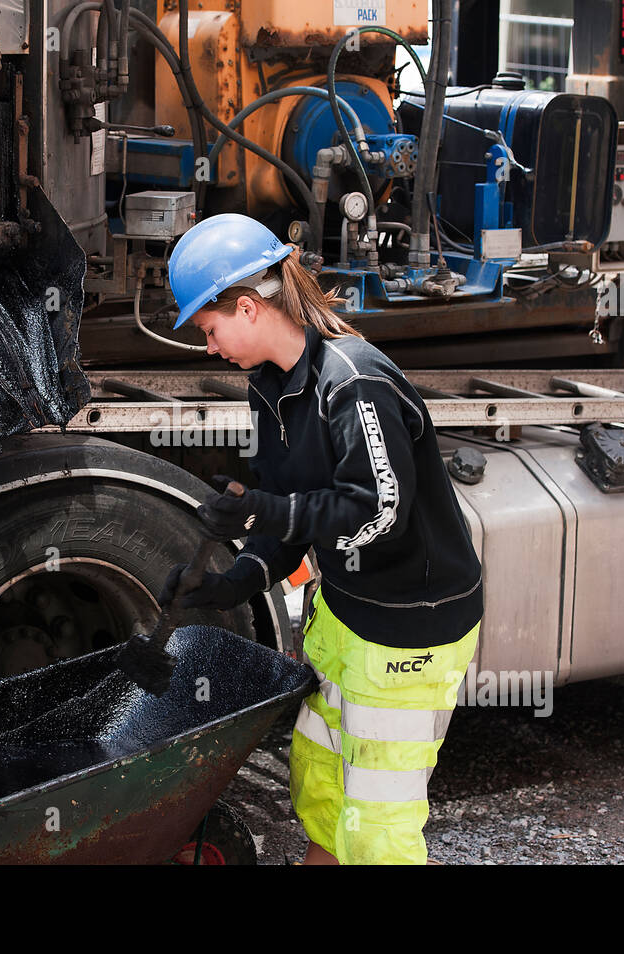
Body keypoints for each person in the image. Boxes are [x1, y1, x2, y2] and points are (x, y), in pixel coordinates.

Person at [160, 213, 483, 865]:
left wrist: (267, 513)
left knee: (378, 828)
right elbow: (294, 512)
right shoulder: (270, 391)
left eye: (210, 328)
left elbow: (378, 513)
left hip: (406, 629)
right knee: (321, 783)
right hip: (343, 613)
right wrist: (238, 578)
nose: (211, 347)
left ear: (248, 308)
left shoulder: (352, 380)